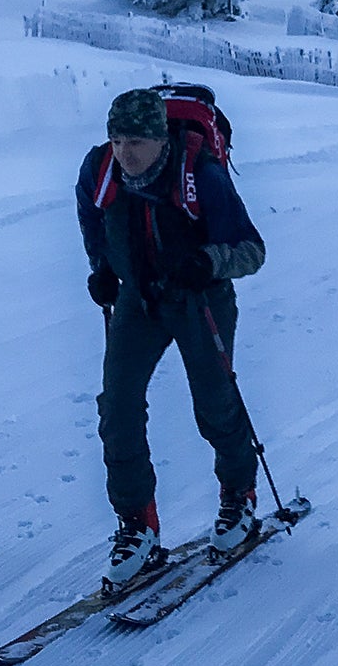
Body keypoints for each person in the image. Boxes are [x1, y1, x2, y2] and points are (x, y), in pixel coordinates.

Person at [75, 87, 267, 588]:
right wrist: (102, 269)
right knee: (116, 406)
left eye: (136, 140)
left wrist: (207, 261)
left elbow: (251, 250)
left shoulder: (200, 175)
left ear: (161, 139)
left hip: (200, 298)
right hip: (138, 301)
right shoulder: (99, 173)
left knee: (213, 399)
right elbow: (92, 222)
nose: (125, 153)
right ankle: (138, 526)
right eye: (117, 140)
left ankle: (239, 497)